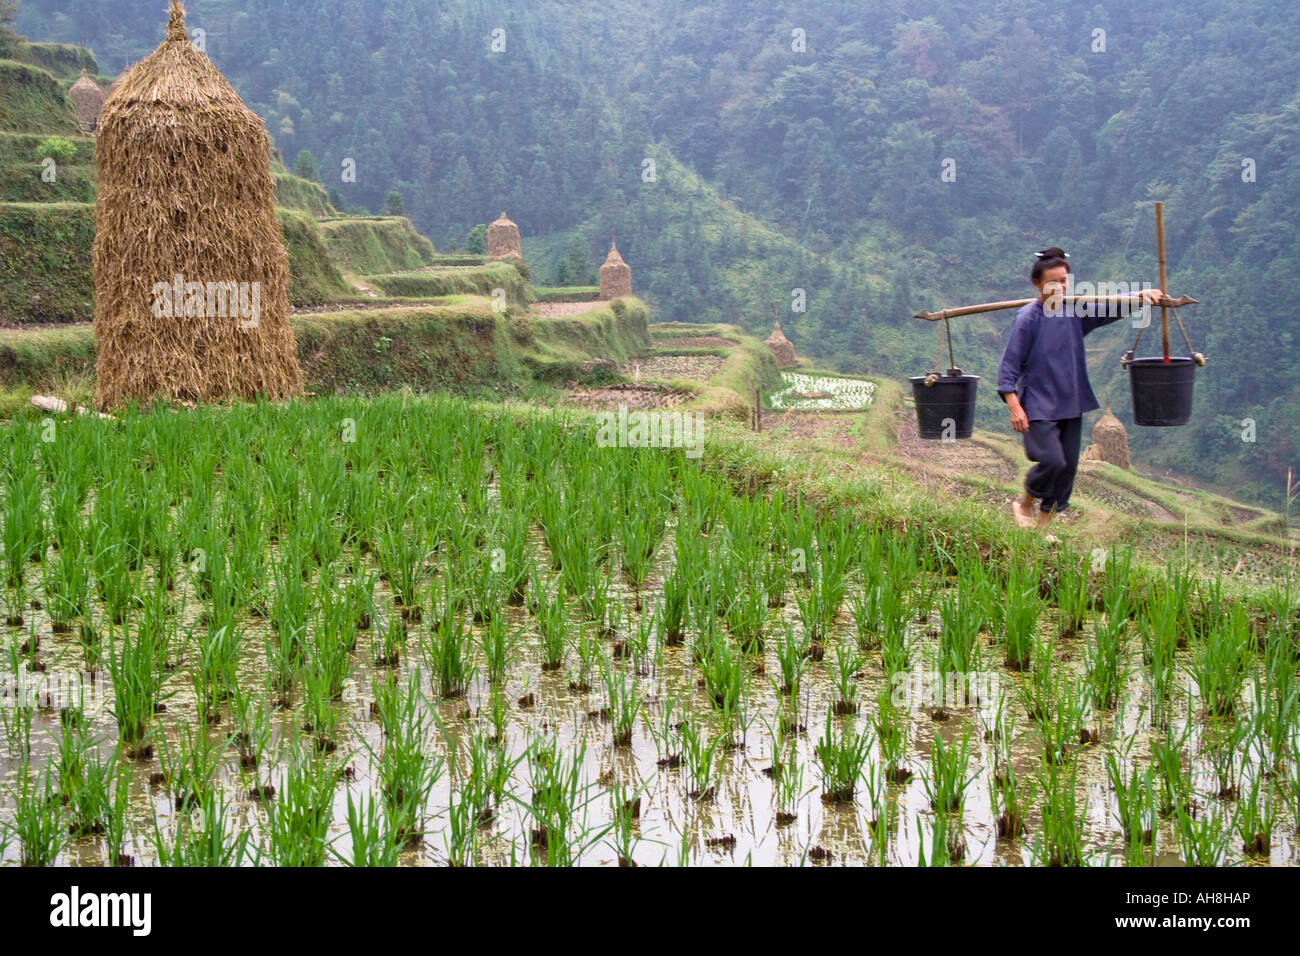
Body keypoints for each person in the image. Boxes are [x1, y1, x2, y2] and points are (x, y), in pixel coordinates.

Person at [997, 248, 1163, 536]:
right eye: (1053, 282)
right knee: (1052, 460)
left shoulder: (1074, 311)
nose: (1060, 287)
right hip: (1038, 403)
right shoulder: (1028, 318)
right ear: (1037, 283)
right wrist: (1014, 405)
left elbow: (1108, 310)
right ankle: (1025, 500)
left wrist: (1140, 298)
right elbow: (1008, 366)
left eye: (1064, 280)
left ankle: (1042, 529)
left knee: (1067, 469)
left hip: (1071, 402)